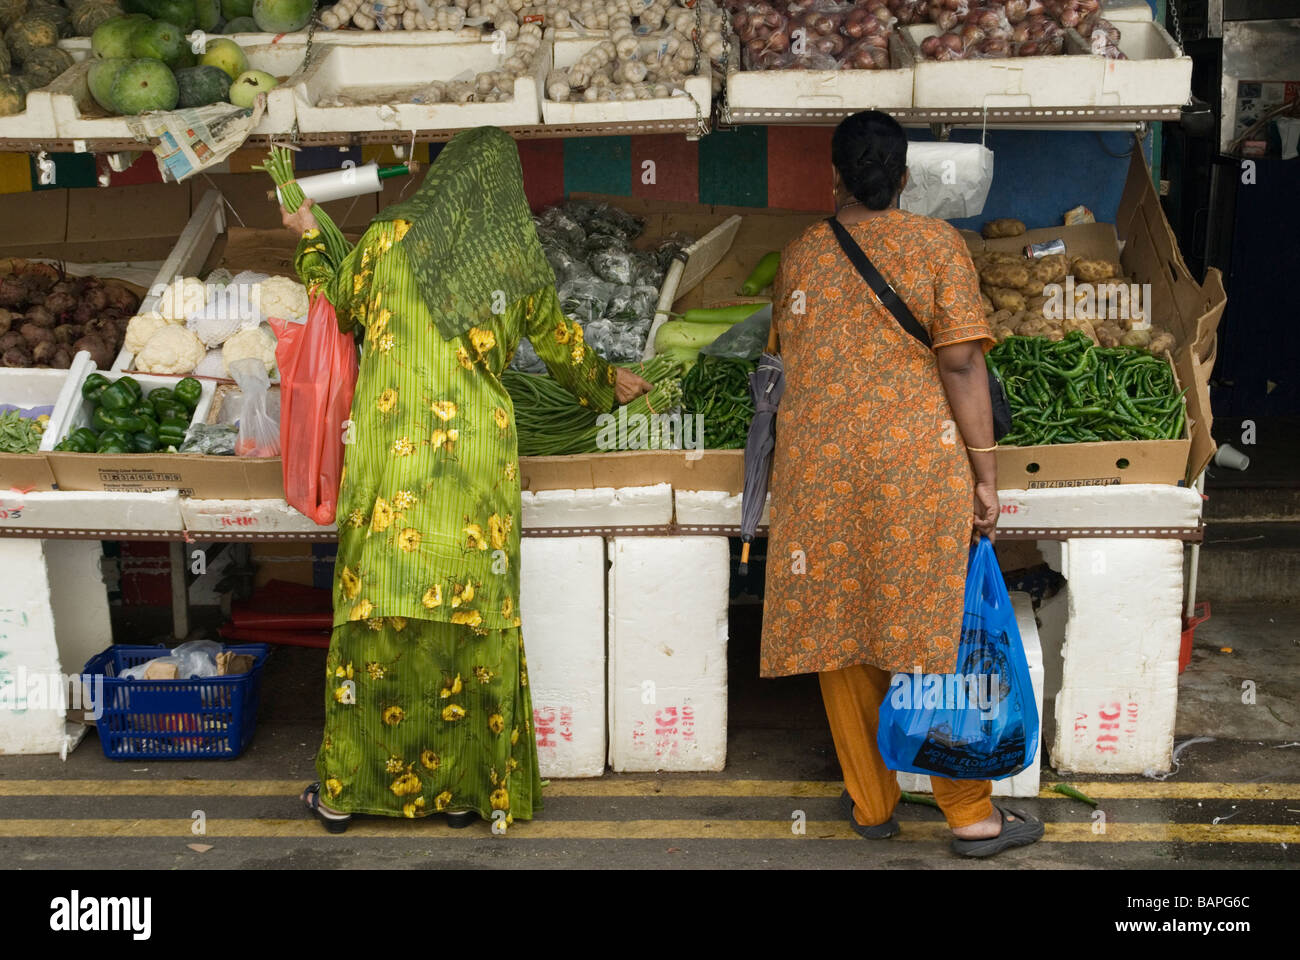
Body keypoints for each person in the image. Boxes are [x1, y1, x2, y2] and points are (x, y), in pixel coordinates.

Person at [282, 127, 651, 833]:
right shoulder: (515, 263)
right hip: (476, 466)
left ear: (436, 179)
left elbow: (337, 298)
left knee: (380, 616)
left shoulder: (387, 242)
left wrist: (308, 232)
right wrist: (612, 385)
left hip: (391, 462)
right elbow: (567, 356)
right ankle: (461, 790)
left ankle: (349, 792)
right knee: (468, 620)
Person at [760, 111, 1043, 858]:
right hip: (917, 465)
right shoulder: (937, 245)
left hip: (818, 469)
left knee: (841, 628)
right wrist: (986, 473)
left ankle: (872, 803)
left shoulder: (802, 255)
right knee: (927, 631)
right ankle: (969, 814)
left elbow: (784, 362)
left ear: (834, 175)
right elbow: (960, 362)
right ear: (906, 177)